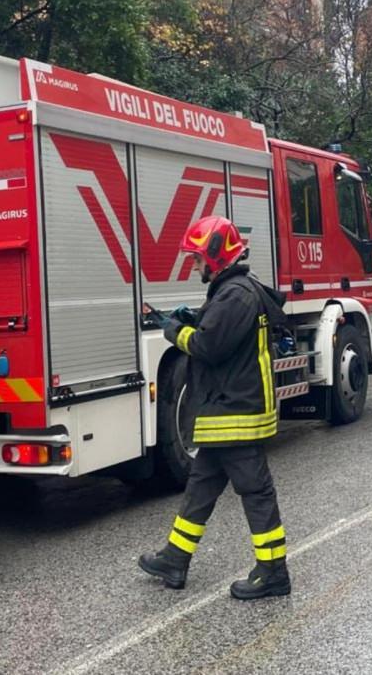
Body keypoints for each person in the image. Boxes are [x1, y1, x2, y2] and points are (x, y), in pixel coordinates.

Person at [139, 215, 291, 600]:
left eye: (196, 258)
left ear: (216, 256)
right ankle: (175, 558)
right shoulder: (232, 292)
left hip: (236, 412)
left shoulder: (236, 294)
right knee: (201, 486)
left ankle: (273, 571)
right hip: (226, 409)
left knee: (255, 492)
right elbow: (218, 331)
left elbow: (208, 347)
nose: (194, 265)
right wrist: (197, 317)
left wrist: (175, 331)